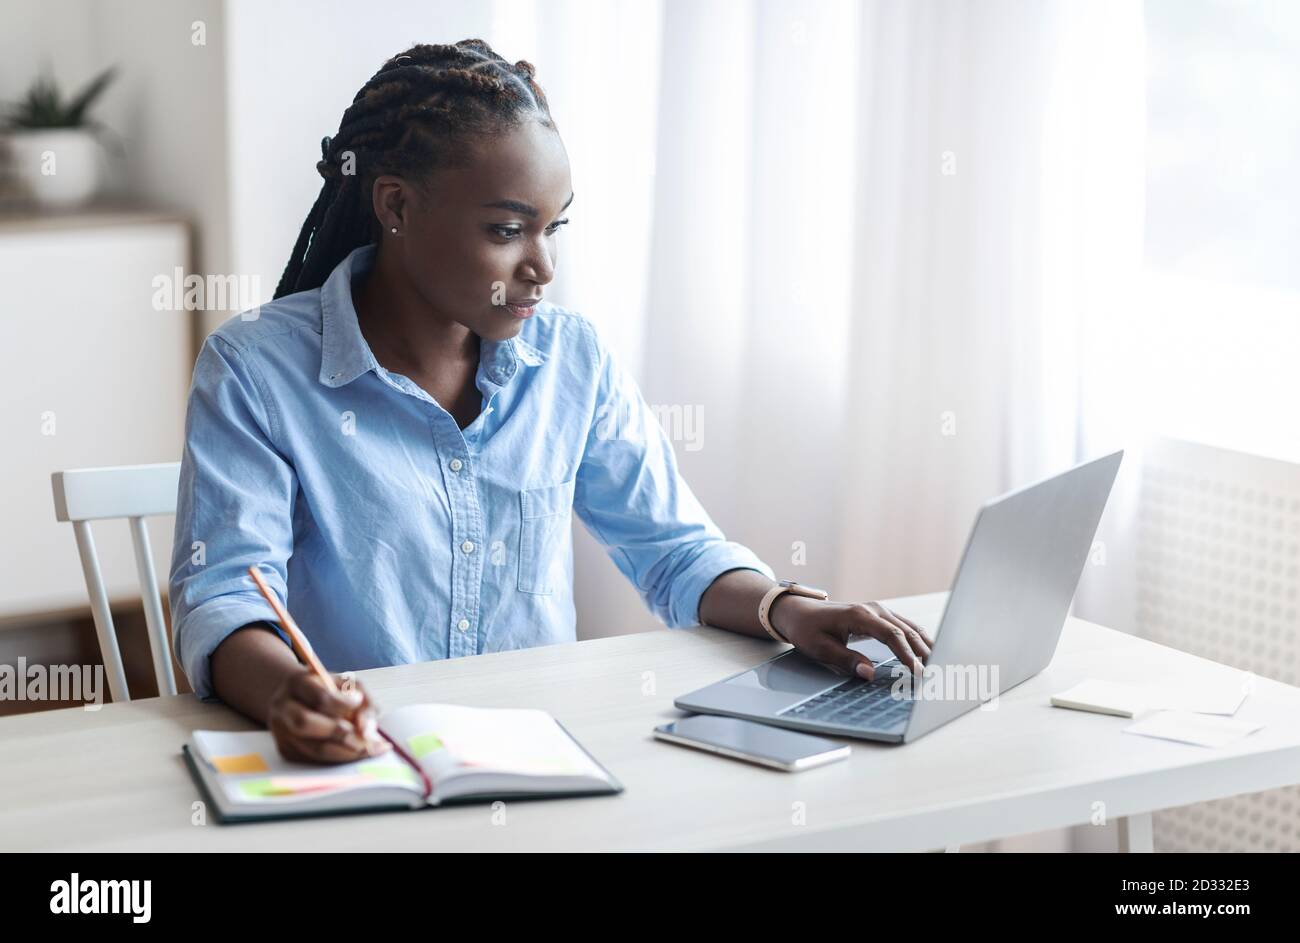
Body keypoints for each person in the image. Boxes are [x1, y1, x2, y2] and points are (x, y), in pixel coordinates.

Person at [168, 39, 932, 764]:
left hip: (538, 761)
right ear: (396, 204)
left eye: (553, 228)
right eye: (507, 229)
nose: (542, 266)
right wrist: (288, 694)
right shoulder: (256, 369)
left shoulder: (570, 360)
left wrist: (785, 610)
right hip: (362, 764)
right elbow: (226, 594)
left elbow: (674, 551)